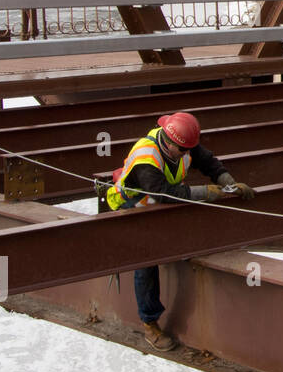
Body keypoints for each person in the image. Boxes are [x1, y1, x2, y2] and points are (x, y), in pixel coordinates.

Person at [103, 111, 255, 351]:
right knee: (146, 257)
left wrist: (228, 182)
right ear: (169, 142)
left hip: (160, 203)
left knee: (191, 229)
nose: (187, 154)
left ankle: (183, 250)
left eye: (188, 150)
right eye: (183, 150)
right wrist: (213, 192)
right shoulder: (146, 159)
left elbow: (207, 161)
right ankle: (149, 324)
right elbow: (167, 194)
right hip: (132, 206)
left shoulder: (183, 144)